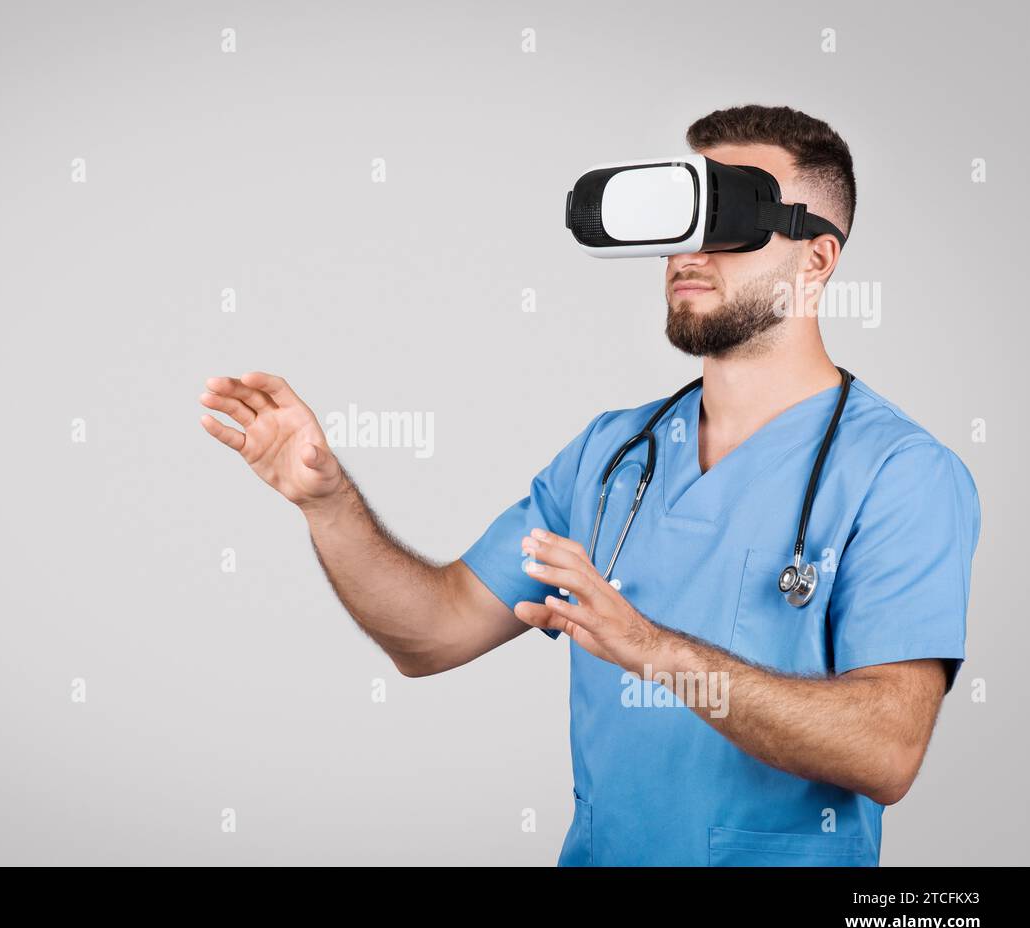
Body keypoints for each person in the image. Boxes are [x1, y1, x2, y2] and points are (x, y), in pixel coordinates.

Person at [197, 105, 980, 866]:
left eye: (730, 218)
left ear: (817, 259)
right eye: (680, 216)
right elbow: (433, 633)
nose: (690, 252)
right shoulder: (612, 455)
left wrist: (651, 649)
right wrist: (329, 504)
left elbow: (887, 751)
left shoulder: (901, 475)